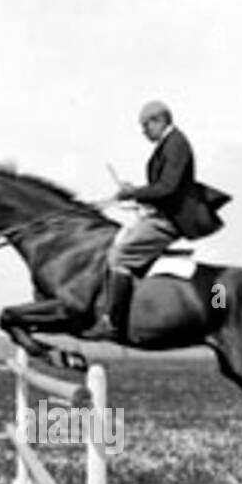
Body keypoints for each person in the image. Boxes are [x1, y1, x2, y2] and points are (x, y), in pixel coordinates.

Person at [82, 100, 231, 339]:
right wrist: (137, 194)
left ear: (160, 120)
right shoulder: (168, 144)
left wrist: (134, 193)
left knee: (120, 254)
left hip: (170, 220)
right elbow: (160, 189)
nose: (144, 131)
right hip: (161, 213)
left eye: (145, 125)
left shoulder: (176, 144)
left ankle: (112, 322)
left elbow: (168, 188)